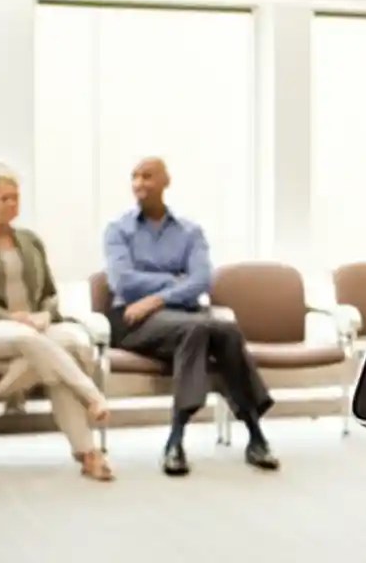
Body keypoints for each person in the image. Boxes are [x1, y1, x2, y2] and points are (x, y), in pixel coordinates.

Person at [103, 157, 278, 476]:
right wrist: (174, 282)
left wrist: (157, 297)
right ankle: (176, 440)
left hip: (180, 315)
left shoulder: (190, 231)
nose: (140, 183)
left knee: (225, 331)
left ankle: (255, 437)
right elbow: (122, 282)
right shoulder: (118, 230)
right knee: (196, 329)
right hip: (132, 321)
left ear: (165, 182)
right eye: (135, 177)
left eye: (148, 176)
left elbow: (201, 280)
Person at [0, 166, 114, 481]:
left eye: (16, 198)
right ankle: (92, 396)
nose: (13, 204)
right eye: (5, 198)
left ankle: (87, 454)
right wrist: (8, 317)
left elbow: (51, 293)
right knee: (36, 343)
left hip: (38, 327)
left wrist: (43, 314)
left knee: (73, 345)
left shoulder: (30, 241)